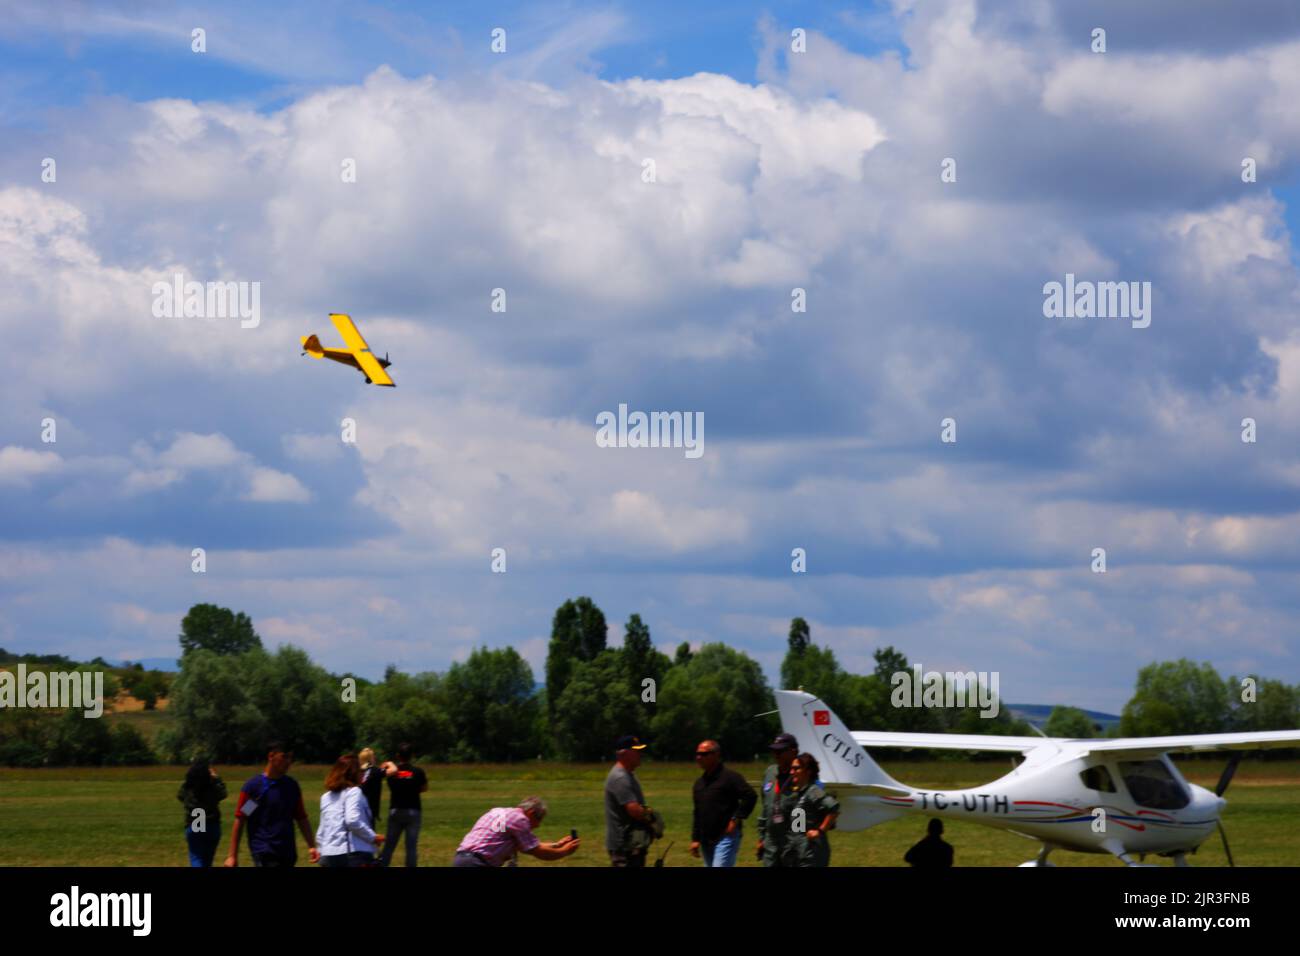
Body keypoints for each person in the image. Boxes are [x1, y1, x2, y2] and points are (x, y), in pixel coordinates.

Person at [224, 741, 319, 867]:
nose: (288, 761)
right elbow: (241, 819)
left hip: (288, 852)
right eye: (284, 756)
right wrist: (232, 856)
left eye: (290, 757)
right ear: (271, 756)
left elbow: (301, 817)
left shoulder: (291, 786)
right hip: (264, 851)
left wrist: (311, 846)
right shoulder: (256, 788)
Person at [452, 797, 581, 867]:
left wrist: (557, 845)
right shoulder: (521, 819)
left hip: (462, 859)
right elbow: (538, 852)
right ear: (531, 813)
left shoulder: (499, 811)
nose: (538, 825)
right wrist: (565, 851)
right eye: (539, 819)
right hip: (478, 863)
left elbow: (526, 845)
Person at [690, 740, 757, 867]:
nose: (699, 757)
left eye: (704, 754)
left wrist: (736, 818)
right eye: (697, 754)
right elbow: (698, 812)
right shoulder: (699, 783)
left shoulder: (730, 777)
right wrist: (695, 838)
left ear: (716, 755)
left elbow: (750, 796)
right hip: (706, 839)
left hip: (726, 836)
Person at [771, 753, 839, 867]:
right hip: (797, 853)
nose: (792, 772)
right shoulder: (799, 793)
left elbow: (834, 807)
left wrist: (820, 831)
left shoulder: (813, 791)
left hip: (811, 854)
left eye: (796, 768)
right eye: (791, 768)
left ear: (808, 771)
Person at [317, 753, 384, 867]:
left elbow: (321, 832)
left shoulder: (326, 797)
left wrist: (320, 850)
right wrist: (373, 837)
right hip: (350, 854)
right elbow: (352, 820)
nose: (362, 773)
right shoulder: (353, 792)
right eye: (359, 770)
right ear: (353, 773)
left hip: (327, 854)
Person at [605, 734, 656, 867]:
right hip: (624, 847)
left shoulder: (628, 774)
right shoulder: (620, 777)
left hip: (631, 844)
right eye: (637, 751)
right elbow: (634, 810)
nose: (641, 754)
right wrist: (652, 817)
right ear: (624, 753)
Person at [380, 743, 427, 867]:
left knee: (389, 845)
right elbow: (424, 788)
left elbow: (390, 786)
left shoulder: (392, 773)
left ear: (397, 756)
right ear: (412, 756)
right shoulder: (418, 771)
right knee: (411, 847)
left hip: (395, 810)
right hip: (413, 811)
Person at [755, 731, 798, 866]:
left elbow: (804, 810)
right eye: (774, 751)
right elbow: (766, 806)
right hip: (771, 841)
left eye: (780, 751)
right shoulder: (770, 772)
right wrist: (762, 837)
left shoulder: (801, 774)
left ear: (793, 751)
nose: (776, 755)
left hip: (791, 841)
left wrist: (799, 842)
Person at [178, 758, 227, 867]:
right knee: (207, 859)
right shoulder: (212, 786)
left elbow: (180, 796)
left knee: (196, 856)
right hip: (211, 823)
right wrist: (216, 778)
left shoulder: (188, 786)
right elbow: (223, 793)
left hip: (195, 822)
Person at [358, 747, 386, 826]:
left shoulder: (356, 771)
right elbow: (393, 770)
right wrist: (387, 765)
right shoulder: (375, 770)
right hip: (369, 809)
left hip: (356, 807)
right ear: (370, 759)